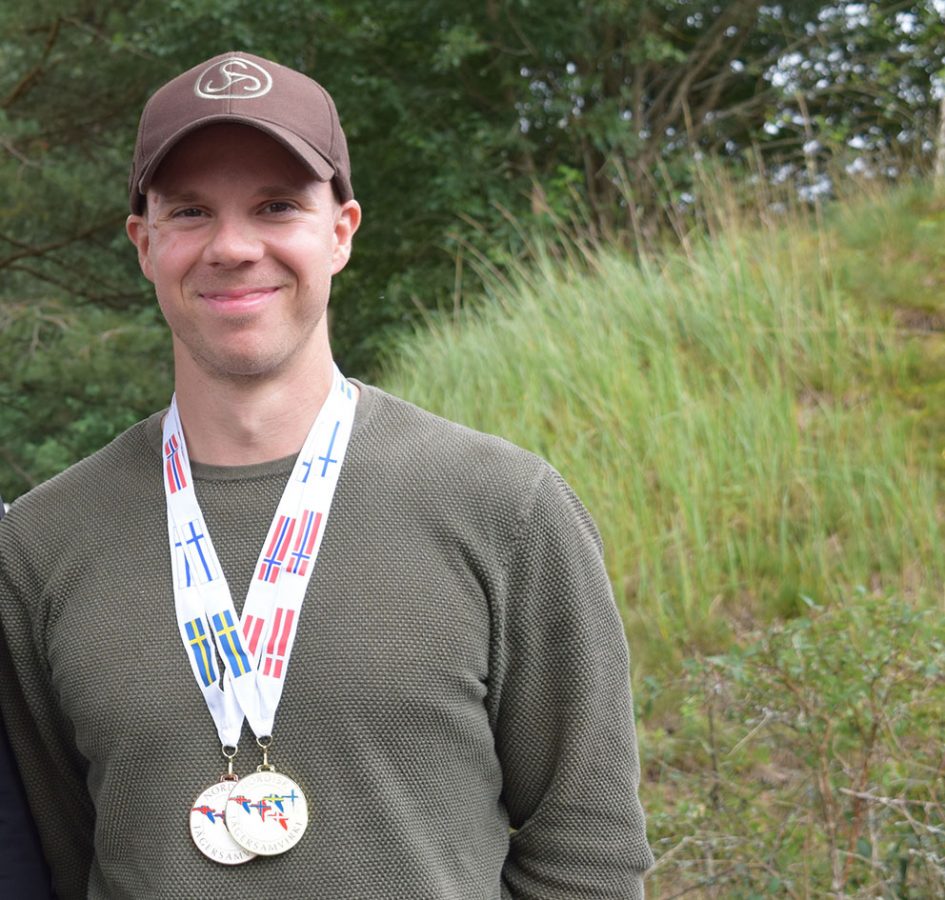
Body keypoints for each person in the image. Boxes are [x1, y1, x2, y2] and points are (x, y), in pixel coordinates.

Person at [0, 52, 652, 898]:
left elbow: (588, 849)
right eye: (191, 211)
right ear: (144, 242)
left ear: (340, 231)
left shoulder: (506, 510)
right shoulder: (41, 542)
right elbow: (57, 855)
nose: (233, 247)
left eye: (277, 206)